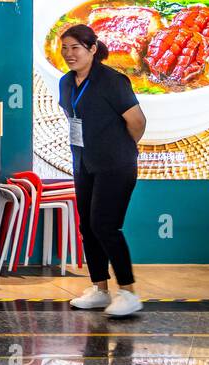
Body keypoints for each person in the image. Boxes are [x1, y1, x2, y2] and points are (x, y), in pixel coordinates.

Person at [60, 23, 148, 318]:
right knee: (87, 225)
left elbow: (137, 121)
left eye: (76, 48)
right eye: (65, 48)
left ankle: (128, 292)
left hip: (116, 164)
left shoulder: (112, 81)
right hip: (84, 162)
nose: (69, 54)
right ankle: (100, 289)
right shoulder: (65, 82)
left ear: (93, 49)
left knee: (105, 226)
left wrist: (122, 148)